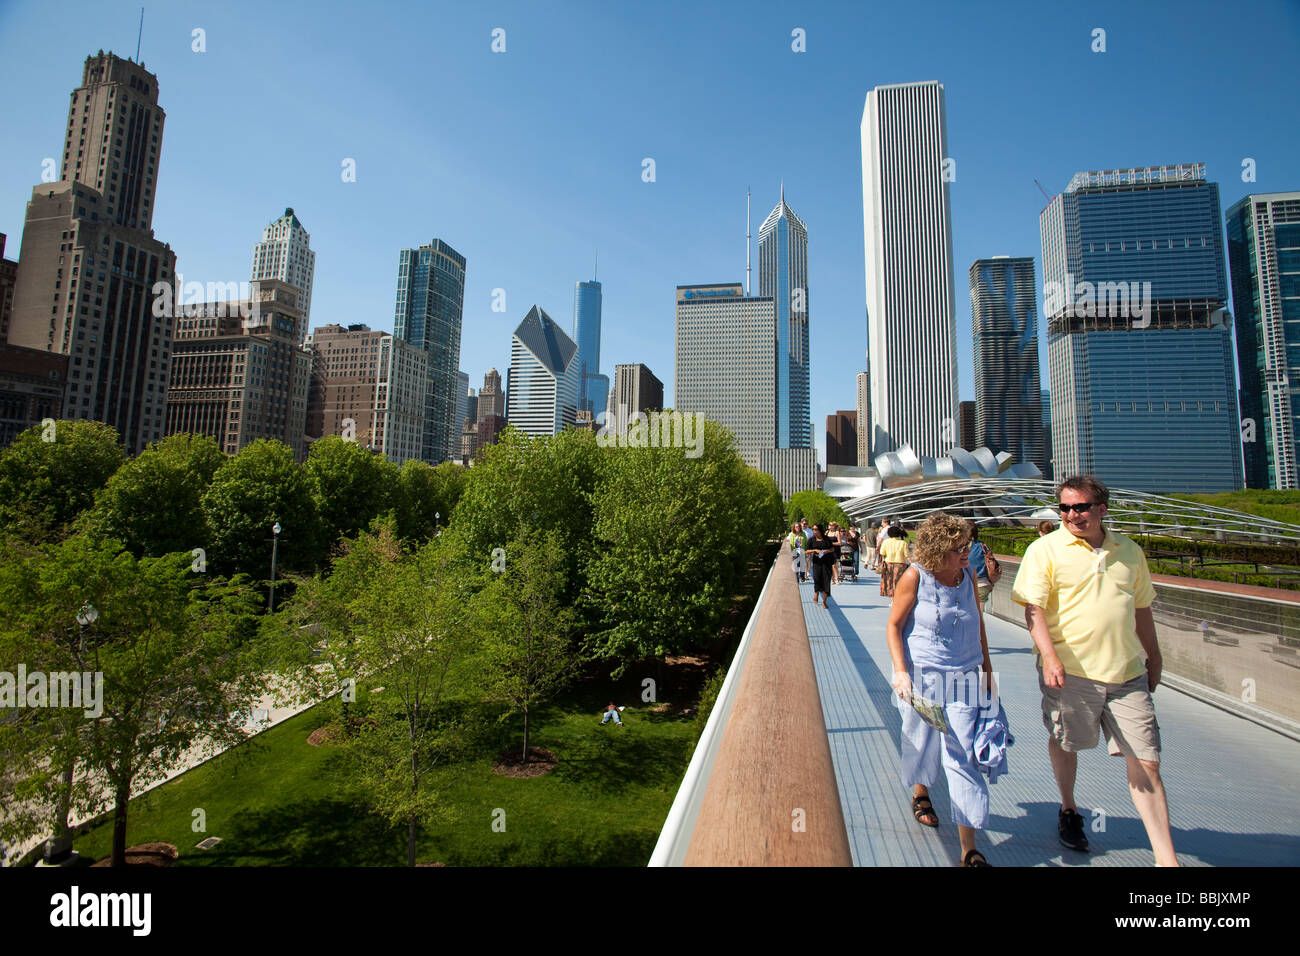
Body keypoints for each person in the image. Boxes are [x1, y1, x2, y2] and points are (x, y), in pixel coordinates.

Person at [1010, 474, 1177, 866]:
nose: (1072, 515)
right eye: (1065, 508)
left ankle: (1166, 858)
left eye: (1081, 507)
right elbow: (1033, 610)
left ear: (1102, 509)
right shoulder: (1045, 549)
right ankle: (1069, 807)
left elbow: (1142, 610)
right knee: (1066, 742)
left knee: (1147, 760)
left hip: (1127, 672)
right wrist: (1049, 657)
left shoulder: (1130, 551)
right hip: (1071, 673)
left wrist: (1154, 656)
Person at [886, 512, 995, 867]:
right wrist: (901, 673)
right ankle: (921, 792)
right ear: (937, 551)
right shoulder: (914, 577)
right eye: (958, 547)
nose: (966, 551)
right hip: (923, 676)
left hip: (964, 675)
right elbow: (894, 626)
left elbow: (978, 624)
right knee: (920, 739)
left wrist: (988, 670)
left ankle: (969, 848)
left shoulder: (967, 576)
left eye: (966, 545)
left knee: (963, 754)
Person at [967, 523, 999, 608]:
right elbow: (991, 562)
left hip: (966, 586)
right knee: (979, 614)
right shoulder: (982, 546)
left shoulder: (961, 548)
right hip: (983, 584)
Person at [806, 523, 838, 608]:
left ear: (820, 530)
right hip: (817, 563)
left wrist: (827, 551)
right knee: (817, 579)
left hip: (827, 563)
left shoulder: (827, 539)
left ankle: (824, 601)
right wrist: (815, 550)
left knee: (826, 581)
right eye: (813, 529)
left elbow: (832, 548)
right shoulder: (811, 540)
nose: (814, 531)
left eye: (815, 529)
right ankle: (816, 593)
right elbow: (806, 551)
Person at [880, 525, 909, 597]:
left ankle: (891, 596)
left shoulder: (886, 542)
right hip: (900, 565)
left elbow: (882, 553)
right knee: (898, 582)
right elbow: (907, 555)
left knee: (889, 582)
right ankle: (896, 597)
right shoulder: (903, 543)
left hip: (888, 564)